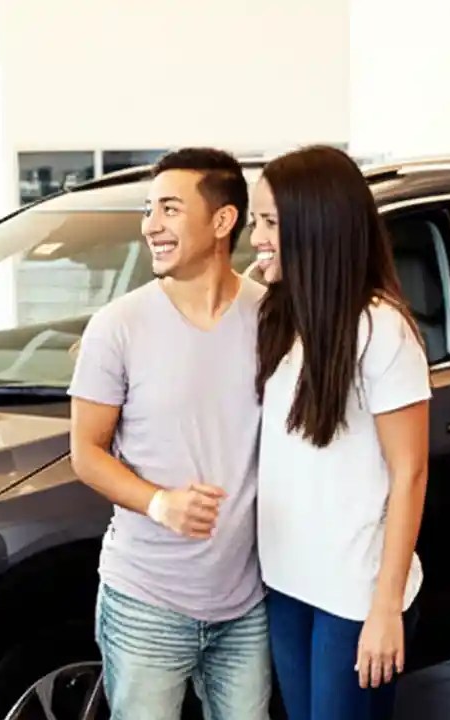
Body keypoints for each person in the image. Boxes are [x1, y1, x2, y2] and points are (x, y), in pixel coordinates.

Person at [69, 148, 271, 719]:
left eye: (170, 209)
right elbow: (85, 452)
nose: (150, 225)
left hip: (246, 602)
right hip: (146, 600)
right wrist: (160, 504)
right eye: (148, 209)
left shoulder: (273, 316)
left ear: (223, 221)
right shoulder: (118, 326)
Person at [249, 145, 429, 720]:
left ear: (316, 227)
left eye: (271, 223)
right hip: (288, 581)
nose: (256, 237)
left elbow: (410, 473)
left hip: (355, 593)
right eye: (256, 222)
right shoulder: (280, 318)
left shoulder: (382, 330)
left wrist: (385, 607)